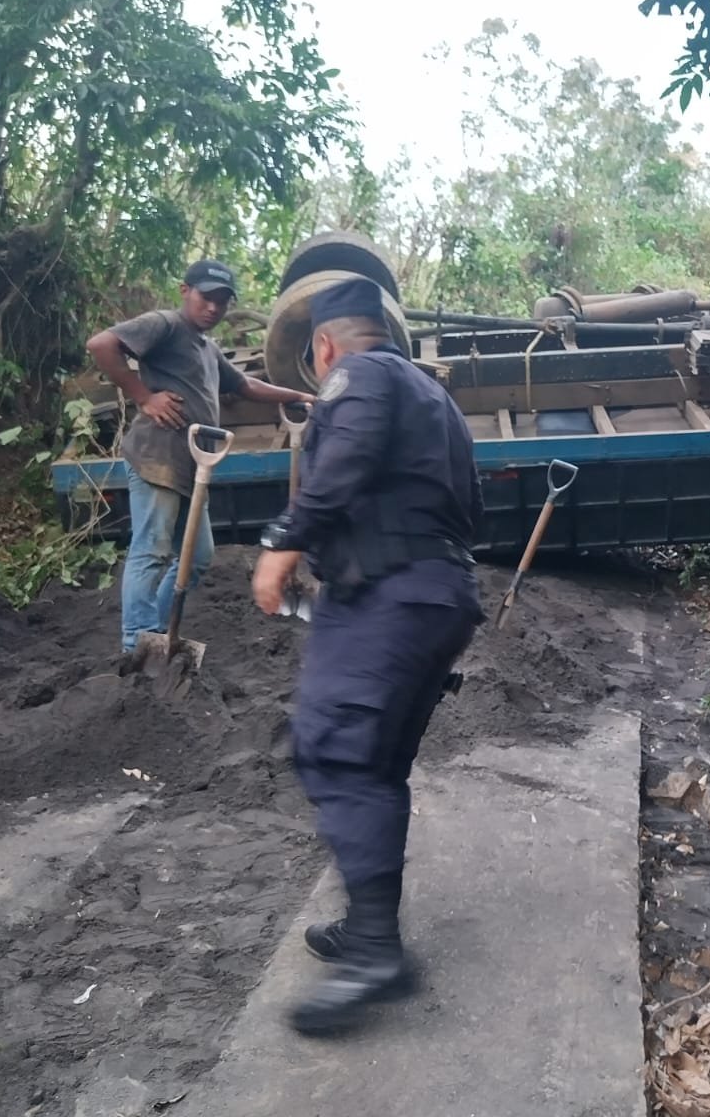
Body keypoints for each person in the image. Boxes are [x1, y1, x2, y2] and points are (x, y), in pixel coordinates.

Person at [251, 276, 484, 1035]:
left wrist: (281, 542)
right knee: (374, 764)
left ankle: (376, 949)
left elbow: (345, 455)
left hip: (389, 597)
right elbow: (465, 505)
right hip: (439, 594)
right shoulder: (433, 398)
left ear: (324, 347)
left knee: (335, 752)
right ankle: (368, 929)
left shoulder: (361, 376)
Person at [86, 259, 315, 654]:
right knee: (152, 550)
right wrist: (144, 396)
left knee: (199, 556)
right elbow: (101, 345)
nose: (213, 307)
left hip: (192, 466)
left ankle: (154, 633)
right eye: (206, 297)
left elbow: (244, 384)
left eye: (222, 301)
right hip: (158, 455)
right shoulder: (166, 324)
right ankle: (133, 645)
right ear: (185, 290)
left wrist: (297, 395)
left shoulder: (206, 348)